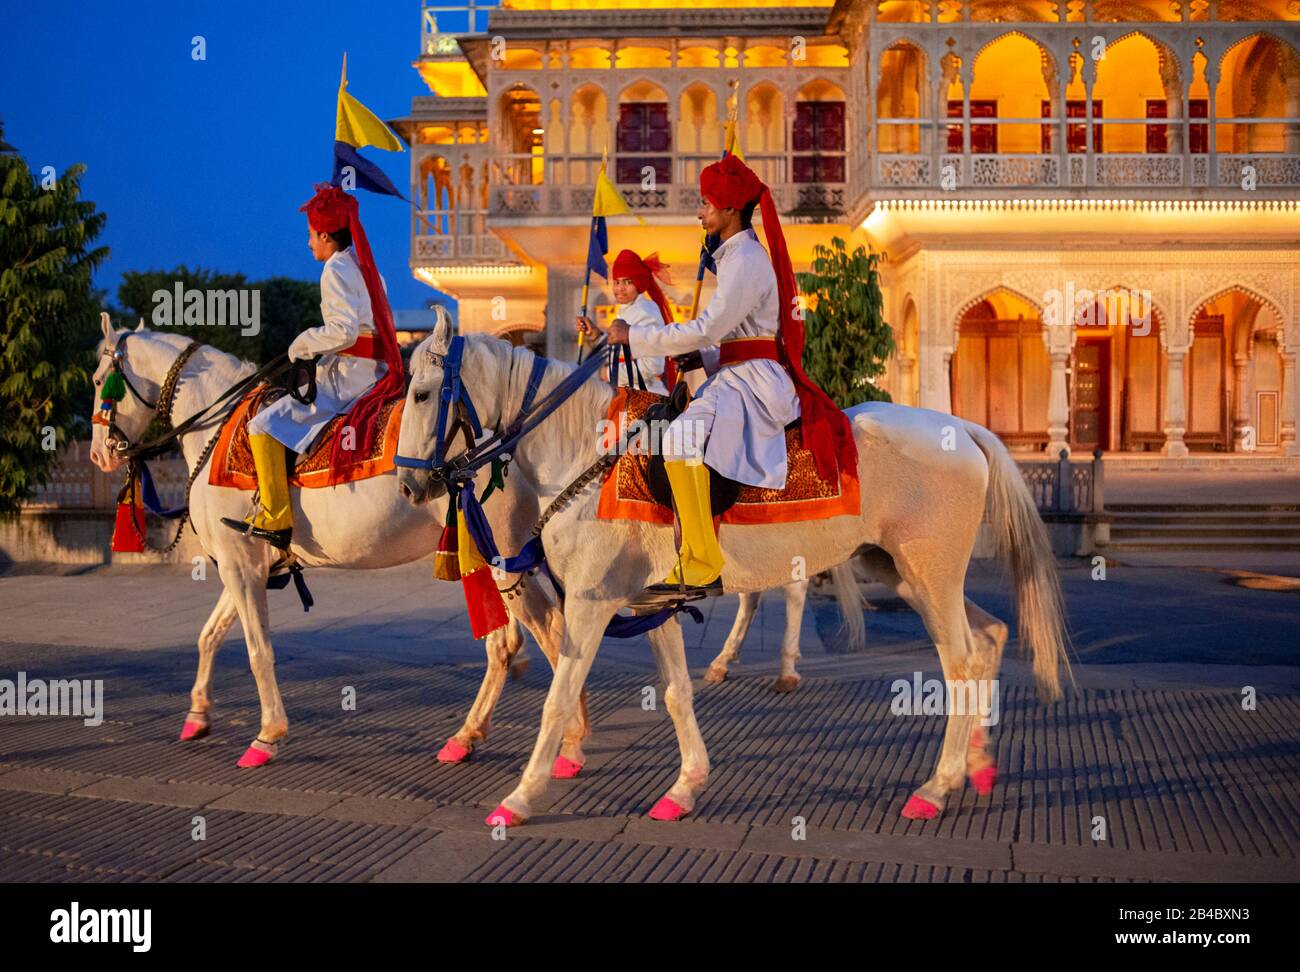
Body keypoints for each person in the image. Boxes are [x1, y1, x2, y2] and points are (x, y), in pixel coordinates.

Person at [576, 154, 856, 598]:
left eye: (706, 203)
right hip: (736, 372)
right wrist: (701, 357)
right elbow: (732, 338)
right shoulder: (735, 256)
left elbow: (711, 328)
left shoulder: (745, 258)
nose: (700, 212)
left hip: (752, 381)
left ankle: (702, 561)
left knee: (677, 439)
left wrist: (636, 337)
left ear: (729, 208)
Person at [221, 184, 403, 549]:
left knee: (261, 425)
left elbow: (343, 331)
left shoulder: (336, 269)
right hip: (376, 371)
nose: (308, 243)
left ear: (325, 235)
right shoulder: (365, 266)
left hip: (349, 378)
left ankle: (276, 517)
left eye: (310, 235)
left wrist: (301, 343)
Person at [602, 250, 671, 395]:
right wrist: (596, 335)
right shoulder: (628, 309)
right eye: (617, 282)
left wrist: (609, 373)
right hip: (625, 393)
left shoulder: (645, 312)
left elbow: (653, 366)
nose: (620, 288)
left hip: (644, 396)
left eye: (627, 282)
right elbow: (620, 351)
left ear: (638, 283)